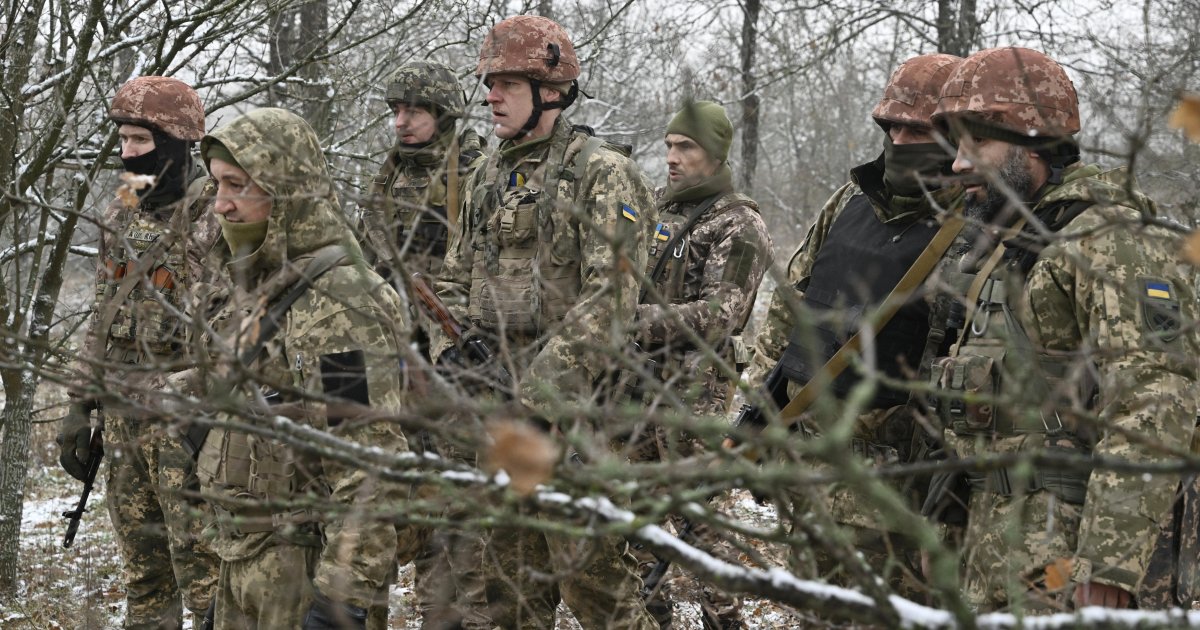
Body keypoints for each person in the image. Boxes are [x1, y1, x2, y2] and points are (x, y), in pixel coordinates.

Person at [927, 46, 1198, 612]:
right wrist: (944, 517)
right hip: (997, 550)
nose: (957, 164)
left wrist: (1108, 563)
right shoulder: (1013, 245)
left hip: (1067, 562)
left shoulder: (1111, 237)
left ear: (1034, 142)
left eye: (978, 143)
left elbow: (1156, 396)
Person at [429, 14, 659, 630]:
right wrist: (447, 354)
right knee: (506, 586)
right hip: (499, 414)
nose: (490, 96)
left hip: (576, 420)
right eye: (488, 82)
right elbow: (455, 278)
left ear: (550, 90)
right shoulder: (487, 174)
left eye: (506, 83)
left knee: (596, 590)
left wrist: (534, 394)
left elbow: (610, 301)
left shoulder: (602, 173)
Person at [742, 53, 964, 600]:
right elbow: (792, 310)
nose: (901, 139)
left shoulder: (978, 223)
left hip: (899, 492)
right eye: (893, 125)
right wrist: (763, 413)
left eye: (920, 128)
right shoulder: (849, 201)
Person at [193, 107, 411, 628]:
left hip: (306, 569)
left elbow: (367, 465)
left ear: (285, 189)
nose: (220, 203)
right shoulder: (265, 283)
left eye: (237, 185)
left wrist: (341, 603)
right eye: (216, 184)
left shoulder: (339, 303)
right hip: (245, 559)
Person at [59, 75, 221, 630]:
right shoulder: (124, 204)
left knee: (206, 580)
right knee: (144, 580)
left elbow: (242, 337)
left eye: (141, 141)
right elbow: (102, 313)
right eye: (123, 139)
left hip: (192, 429)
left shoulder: (219, 213)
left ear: (176, 143)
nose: (128, 153)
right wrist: (80, 403)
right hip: (124, 424)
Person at [357, 59, 490, 630]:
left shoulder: (478, 172)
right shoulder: (388, 176)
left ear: (443, 114)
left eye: (412, 111)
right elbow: (364, 258)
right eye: (394, 111)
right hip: (393, 358)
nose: (400, 123)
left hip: (452, 361)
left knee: (452, 511)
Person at [633, 100, 772, 629]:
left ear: (714, 154)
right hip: (634, 389)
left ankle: (727, 621)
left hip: (695, 396)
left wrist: (635, 320)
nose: (672, 157)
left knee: (703, 529)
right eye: (669, 145)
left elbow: (722, 312)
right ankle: (652, 618)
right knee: (635, 520)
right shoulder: (656, 209)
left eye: (685, 147)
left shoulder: (738, 223)